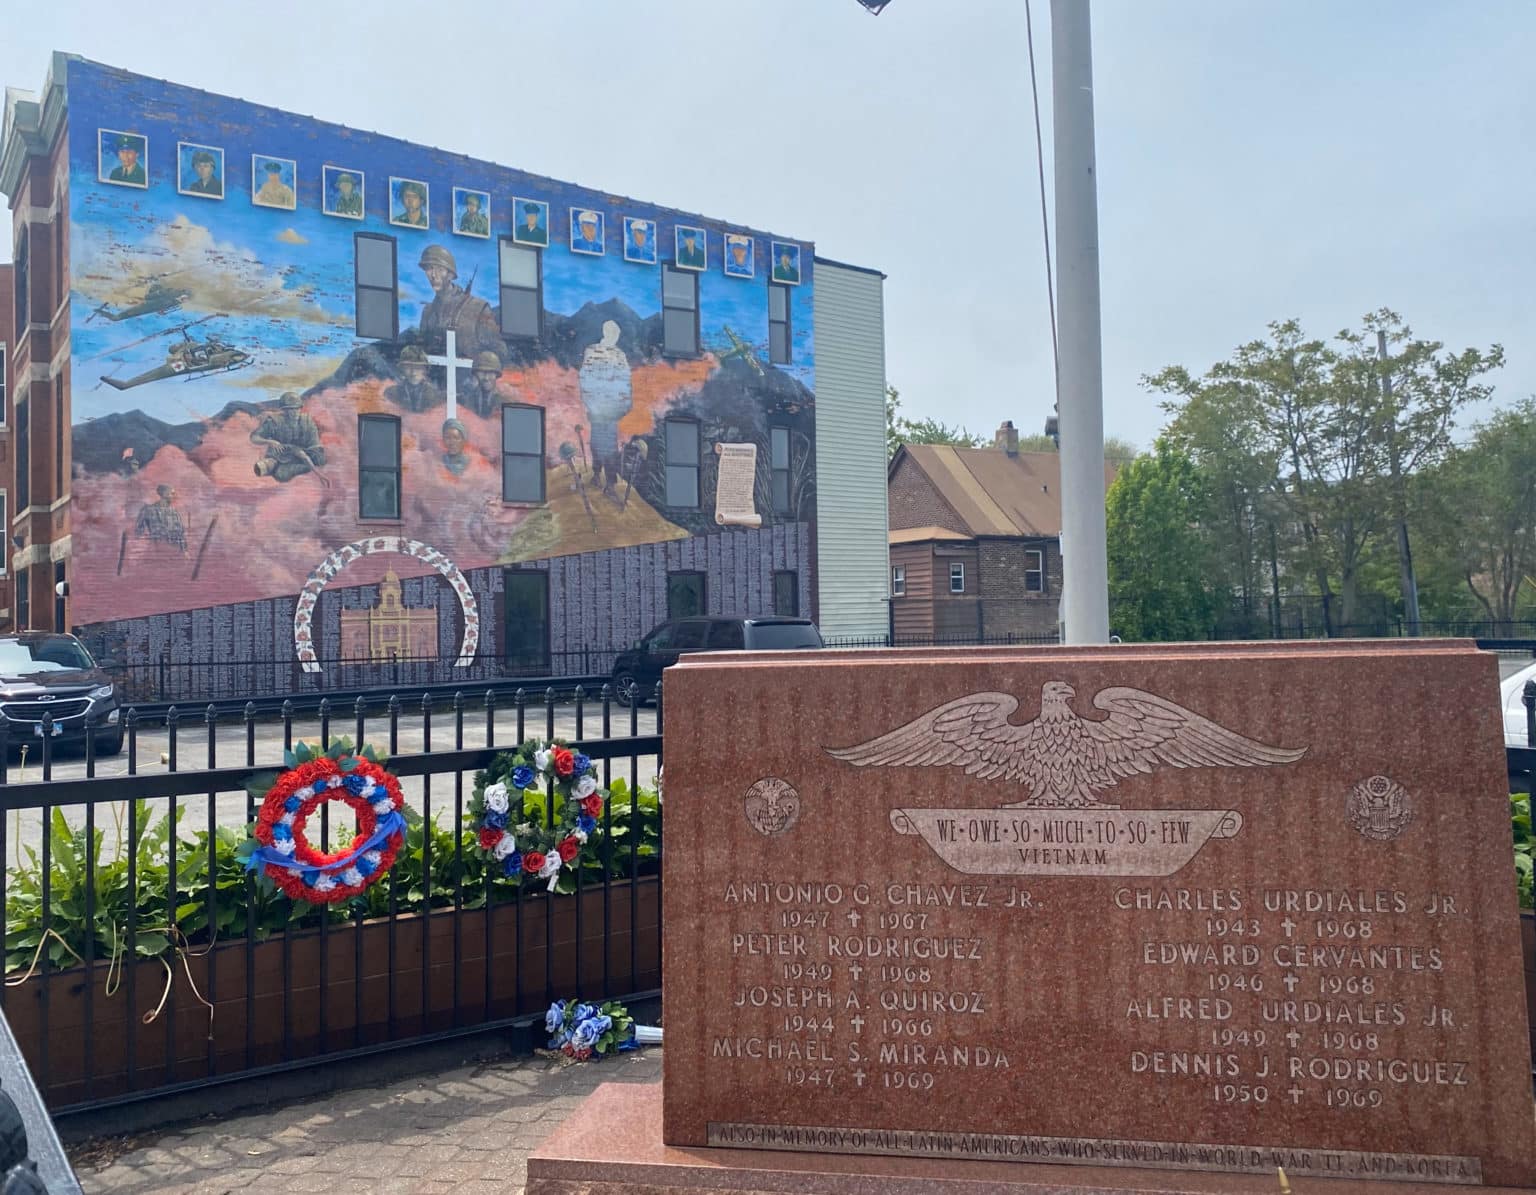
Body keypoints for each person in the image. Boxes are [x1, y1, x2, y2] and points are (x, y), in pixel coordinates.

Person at [417, 244, 504, 358]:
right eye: (429, 269)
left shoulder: (478, 308)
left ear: (451, 275)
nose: (434, 275)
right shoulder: (428, 312)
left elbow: (499, 351)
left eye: (440, 269)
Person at [579, 320, 632, 497]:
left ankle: (609, 482)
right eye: (612, 333)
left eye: (616, 333)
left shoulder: (619, 355)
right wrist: (590, 402)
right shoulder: (592, 351)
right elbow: (585, 377)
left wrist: (624, 404)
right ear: (606, 332)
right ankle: (598, 475)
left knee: (608, 445)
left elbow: (625, 381)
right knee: (597, 442)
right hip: (598, 407)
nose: (614, 336)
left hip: (611, 409)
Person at [251, 392, 326, 482]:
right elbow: (254, 437)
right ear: (284, 410)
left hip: (304, 453)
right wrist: (269, 442)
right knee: (281, 474)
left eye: (297, 409)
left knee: (320, 459)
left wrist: (307, 455)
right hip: (282, 457)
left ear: (300, 408)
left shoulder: (307, 422)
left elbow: (315, 447)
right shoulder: (274, 422)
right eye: (290, 409)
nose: (294, 412)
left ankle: (306, 466)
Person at [384, 345, 442, 412]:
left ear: (425, 369)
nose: (413, 372)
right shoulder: (391, 393)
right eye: (408, 367)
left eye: (418, 367)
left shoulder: (435, 395)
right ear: (402, 368)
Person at [461, 350, 515, 419]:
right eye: (482, 373)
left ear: (497, 375)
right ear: (476, 374)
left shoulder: (507, 402)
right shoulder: (467, 400)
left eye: (490, 373)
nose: (486, 378)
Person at [133, 484, 187, 552]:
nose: (175, 496)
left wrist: (185, 550)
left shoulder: (174, 513)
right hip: (156, 551)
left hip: (173, 551)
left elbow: (181, 534)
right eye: (172, 494)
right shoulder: (148, 510)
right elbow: (138, 532)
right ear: (164, 494)